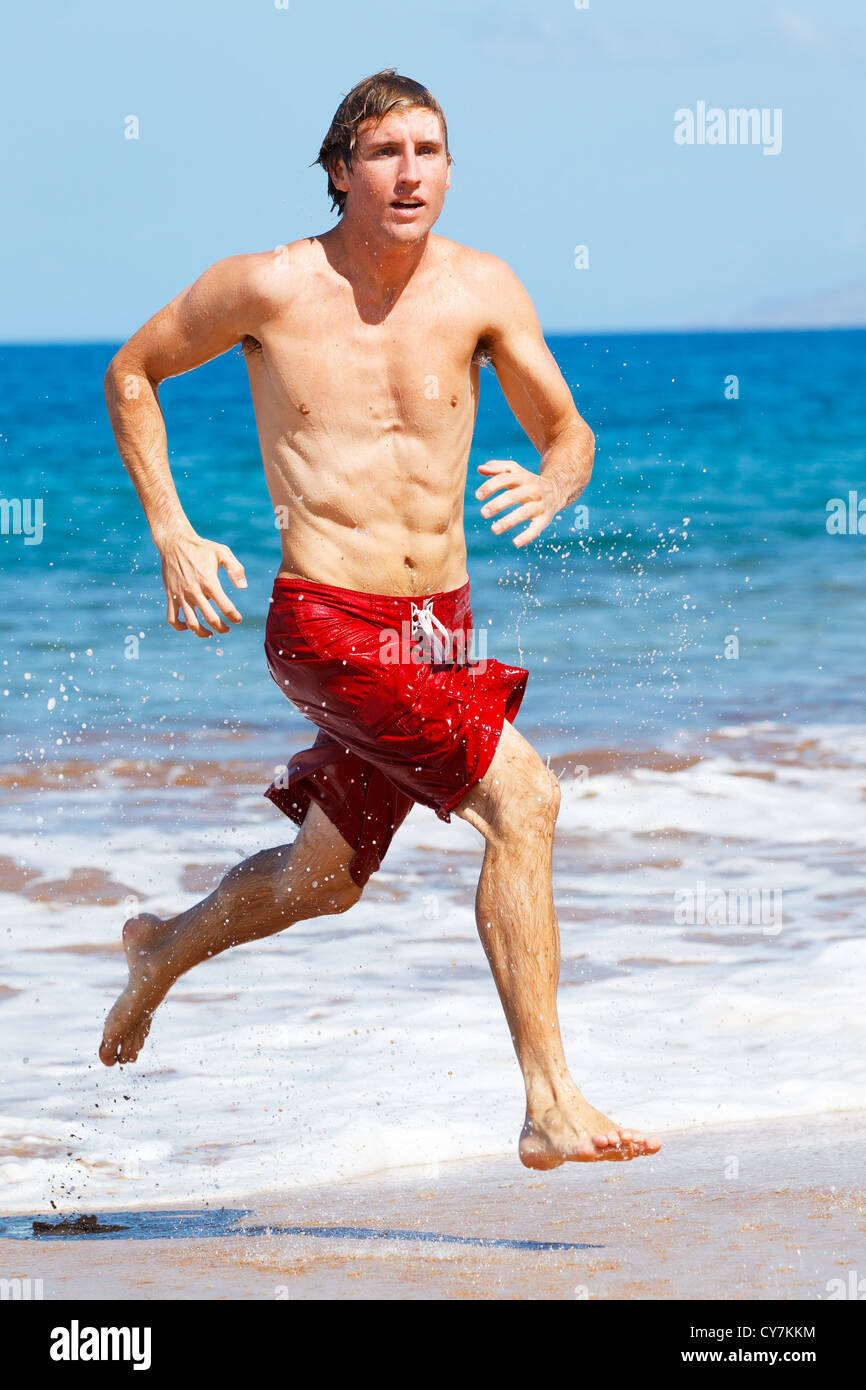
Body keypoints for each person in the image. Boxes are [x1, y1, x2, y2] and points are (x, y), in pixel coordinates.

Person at [100, 69, 661, 1169]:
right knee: (525, 801)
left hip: (437, 626)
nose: (410, 172)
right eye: (385, 151)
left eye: (430, 150)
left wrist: (556, 478)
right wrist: (171, 529)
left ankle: (158, 951)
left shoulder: (481, 289)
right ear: (338, 171)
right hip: (326, 620)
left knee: (325, 882)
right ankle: (548, 1101)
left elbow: (569, 431)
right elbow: (132, 374)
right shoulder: (266, 287)